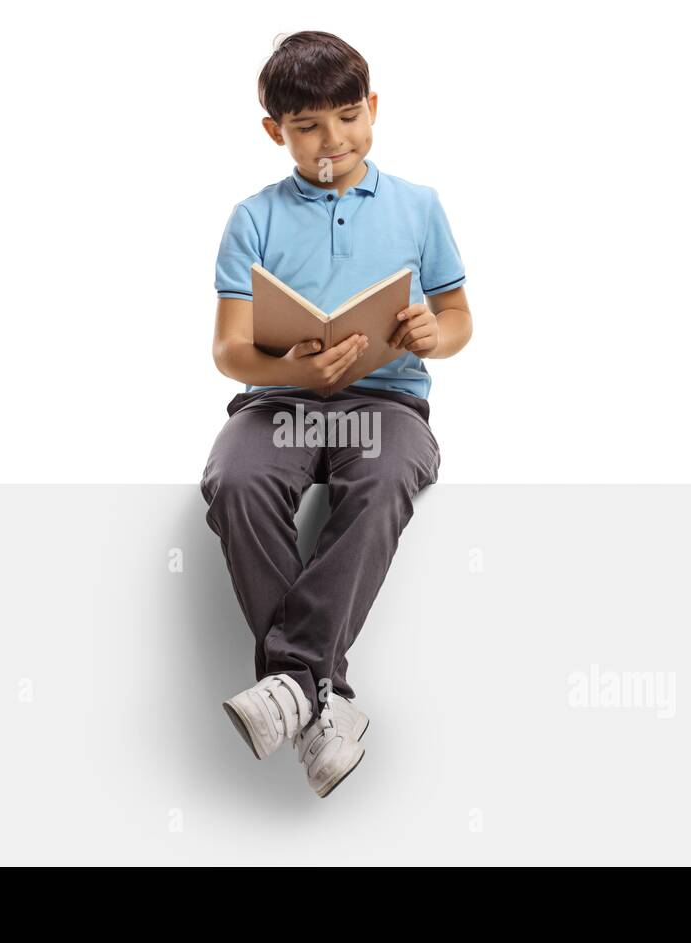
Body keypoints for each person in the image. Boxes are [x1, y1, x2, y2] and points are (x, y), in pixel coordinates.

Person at [201, 31, 473, 797]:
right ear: (274, 131)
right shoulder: (251, 218)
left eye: (349, 118)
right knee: (235, 480)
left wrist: (433, 332)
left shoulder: (419, 206)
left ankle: (291, 684)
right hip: (280, 399)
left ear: (374, 109)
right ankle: (327, 697)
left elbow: (457, 318)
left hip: (387, 400)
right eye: (308, 127)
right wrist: (284, 367)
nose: (333, 141)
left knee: (384, 480)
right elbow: (228, 349)